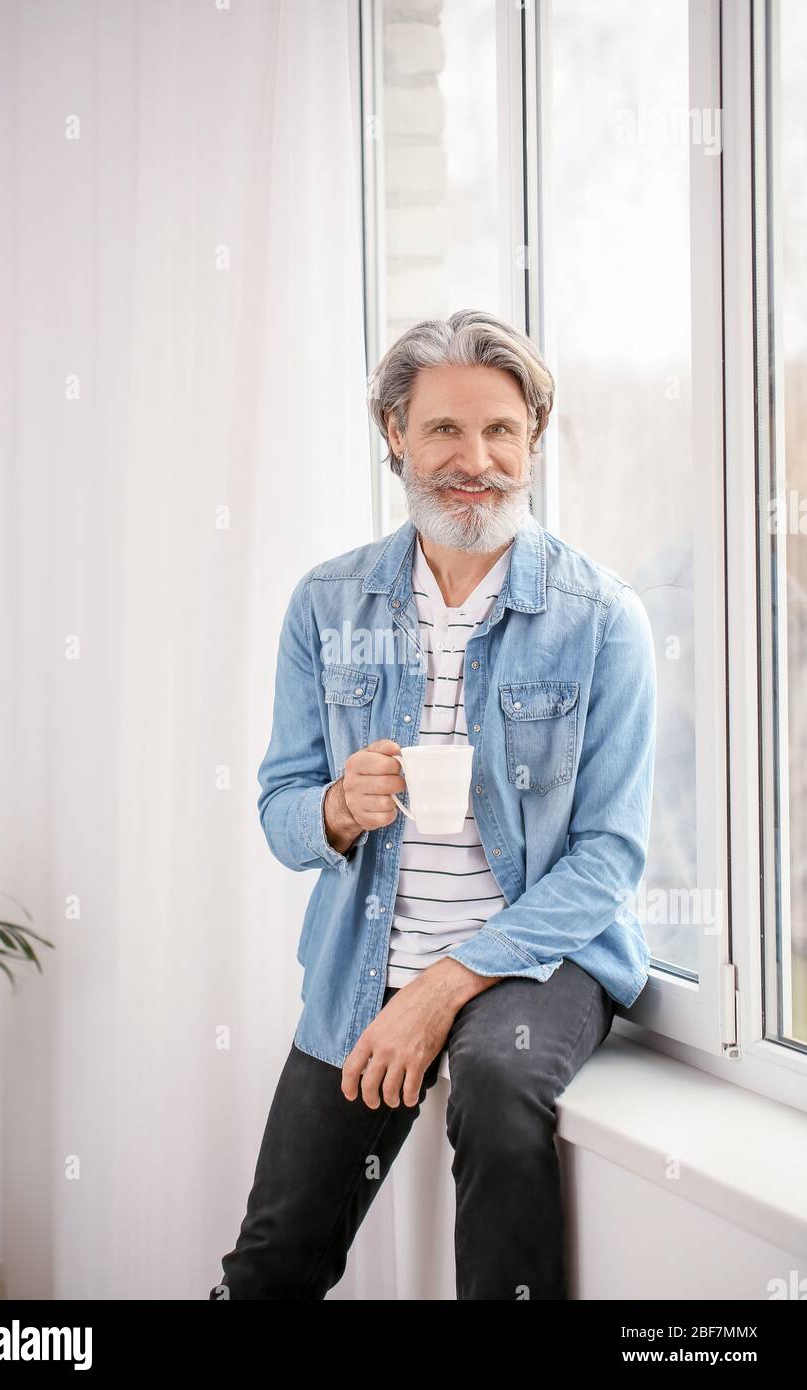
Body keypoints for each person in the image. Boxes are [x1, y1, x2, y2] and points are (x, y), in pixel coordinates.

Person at [209, 308, 657, 1301]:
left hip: (532, 959)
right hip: (361, 963)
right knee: (267, 1266)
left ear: (532, 441)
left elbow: (607, 861)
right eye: (445, 429)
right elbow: (279, 807)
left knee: (498, 1089)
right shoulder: (327, 604)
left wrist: (442, 983)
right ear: (393, 435)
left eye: (501, 430)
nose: (475, 459)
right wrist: (333, 807)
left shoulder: (600, 619)